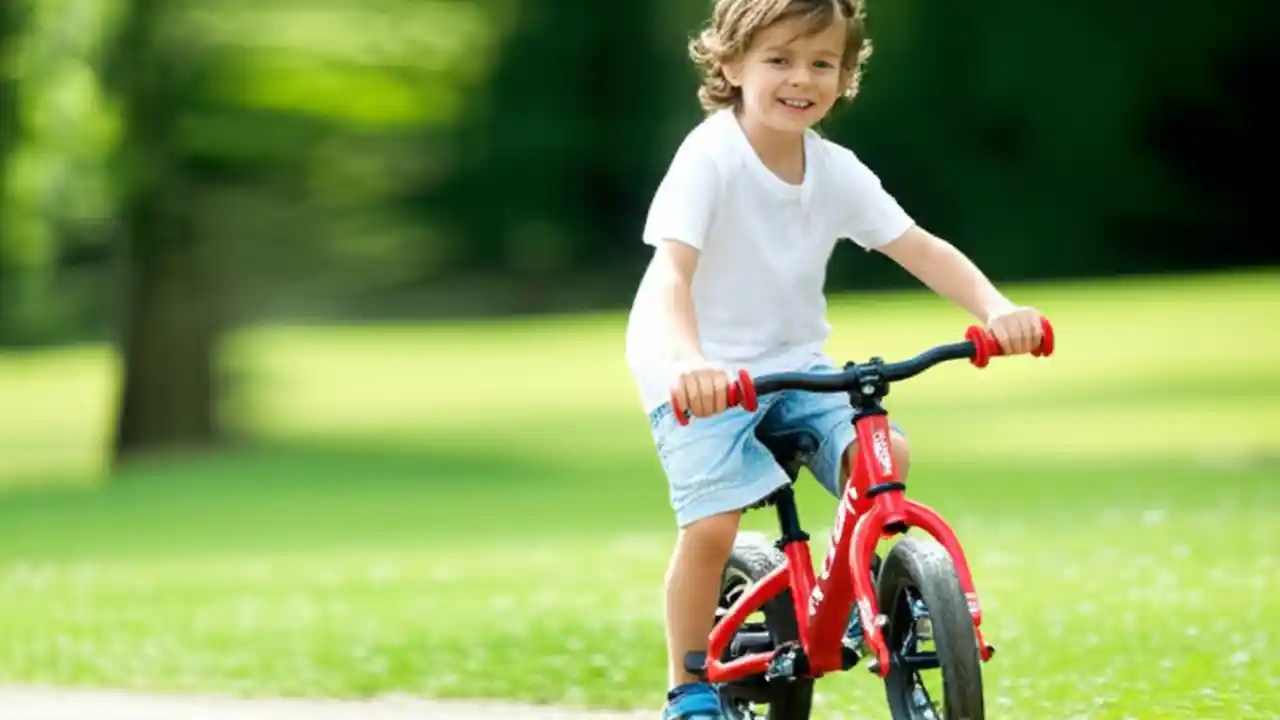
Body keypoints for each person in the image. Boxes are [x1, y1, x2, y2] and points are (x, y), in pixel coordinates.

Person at [623, 0, 1045, 717]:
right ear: (732, 65)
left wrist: (995, 308)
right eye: (779, 60)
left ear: (846, 76)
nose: (802, 78)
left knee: (885, 453)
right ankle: (688, 686)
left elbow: (918, 247)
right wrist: (689, 360)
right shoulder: (710, 158)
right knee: (714, 524)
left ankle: (853, 593)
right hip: (697, 369)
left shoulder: (834, 170)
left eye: (822, 63)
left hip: (793, 361)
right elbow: (672, 273)